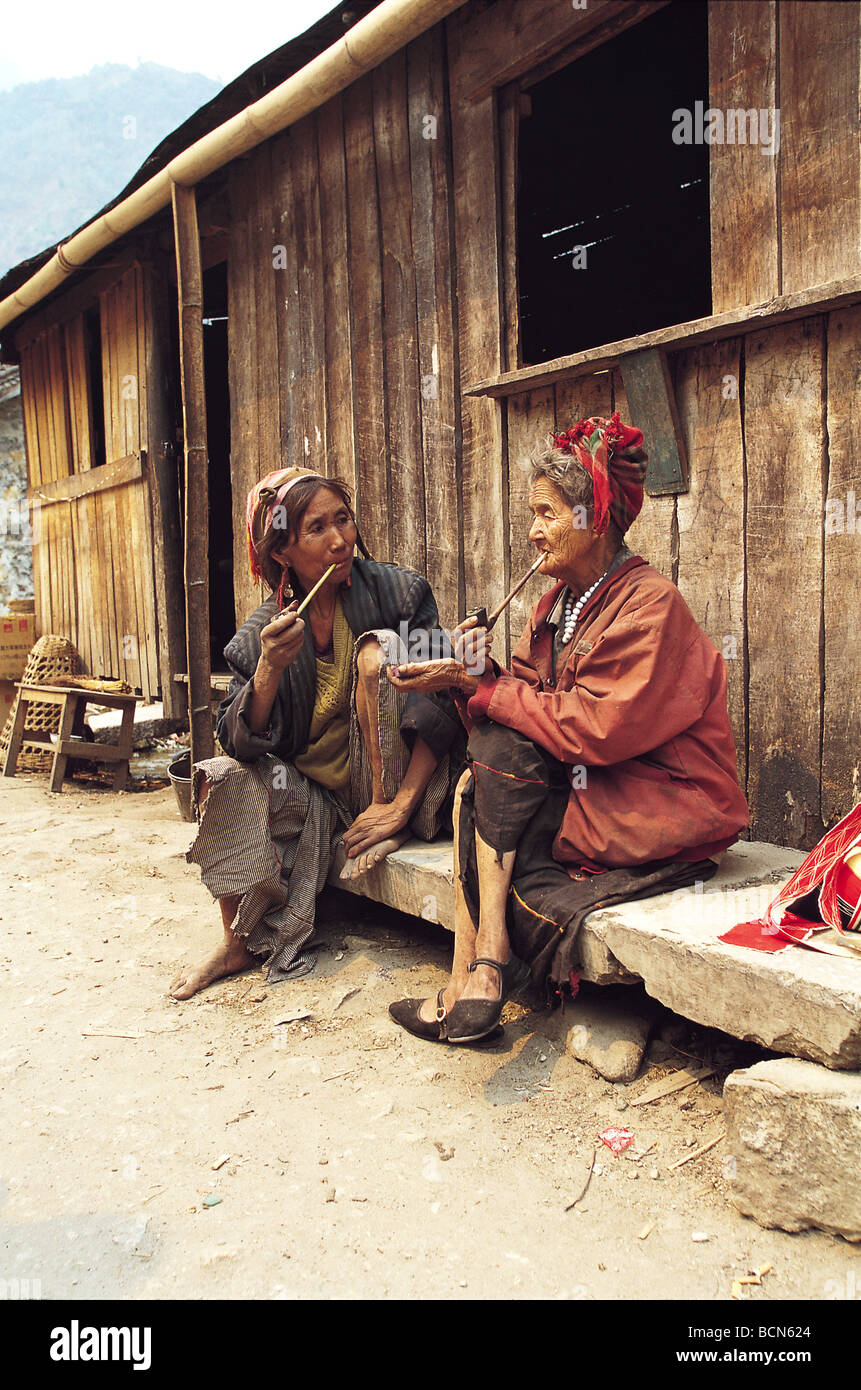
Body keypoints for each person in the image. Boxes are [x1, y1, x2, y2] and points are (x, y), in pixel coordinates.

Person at [387, 413, 750, 1043]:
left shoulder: (651, 605)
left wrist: (486, 688)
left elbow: (596, 729)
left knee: (491, 768)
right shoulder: (555, 602)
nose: (532, 532)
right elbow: (527, 697)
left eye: (546, 514)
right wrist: (476, 672)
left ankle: (485, 967)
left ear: (594, 519)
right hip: (594, 784)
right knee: (481, 779)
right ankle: (470, 977)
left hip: (657, 795)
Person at [169, 466, 461, 999]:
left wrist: (398, 806)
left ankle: (387, 810)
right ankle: (237, 940)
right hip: (321, 801)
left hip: (403, 782)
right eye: (316, 529)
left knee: (379, 653)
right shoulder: (259, 636)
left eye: (343, 521)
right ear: (281, 552)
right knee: (219, 775)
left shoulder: (398, 593)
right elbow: (238, 742)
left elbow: (441, 699)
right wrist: (268, 671)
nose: (338, 541)